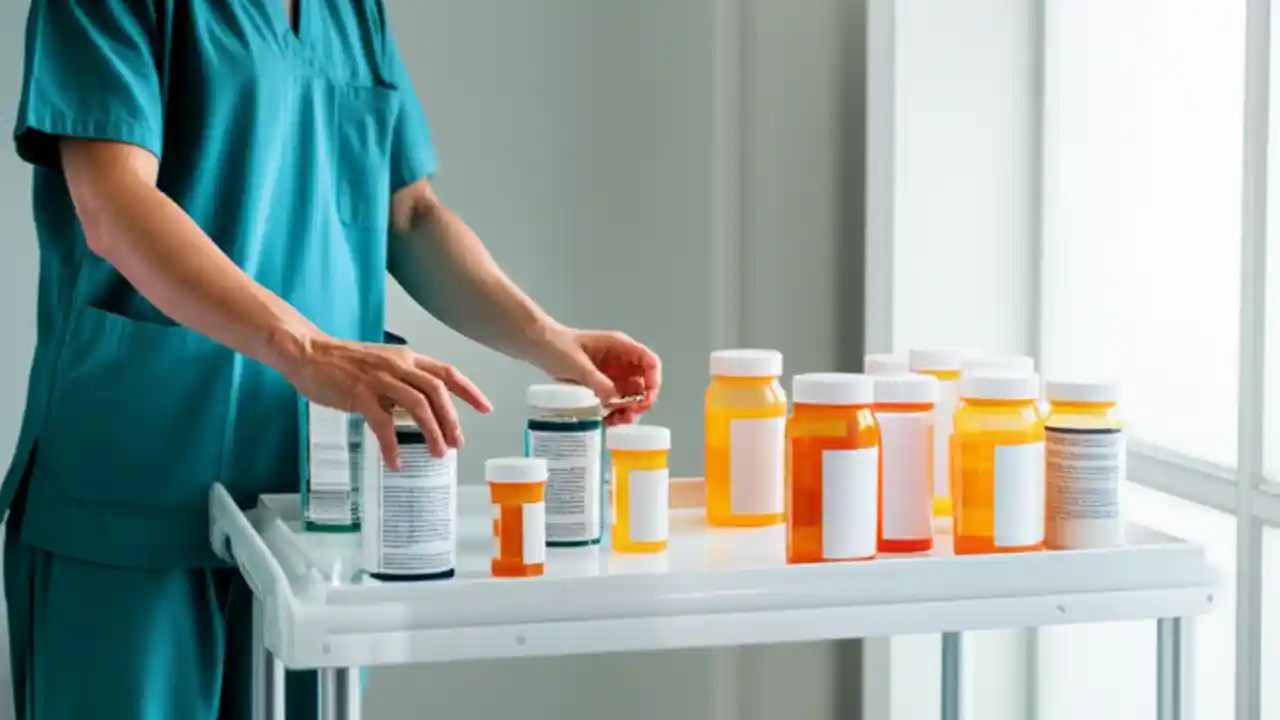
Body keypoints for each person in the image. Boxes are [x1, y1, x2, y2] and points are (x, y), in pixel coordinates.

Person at [2, 1, 662, 718]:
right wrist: (307, 348)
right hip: (139, 478)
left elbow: (409, 214)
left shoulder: (350, 13)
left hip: (318, 506)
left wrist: (549, 340)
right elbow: (113, 199)